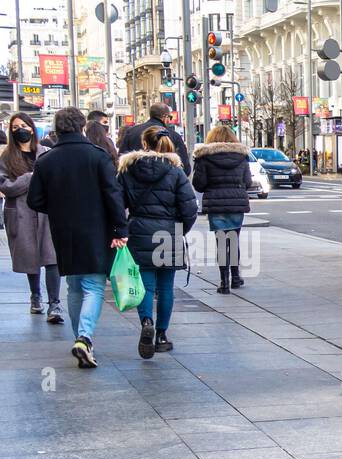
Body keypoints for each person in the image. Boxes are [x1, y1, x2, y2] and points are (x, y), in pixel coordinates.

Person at [27, 108, 129, 369]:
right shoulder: (98, 156)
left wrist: (59, 209)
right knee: (93, 286)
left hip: (64, 231)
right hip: (97, 229)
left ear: (58, 128)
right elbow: (113, 195)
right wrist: (120, 229)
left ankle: (80, 339)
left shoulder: (47, 161)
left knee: (73, 287)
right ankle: (84, 337)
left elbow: (35, 199)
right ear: (82, 126)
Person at [119, 127, 198, 358]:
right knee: (165, 288)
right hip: (168, 233)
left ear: (144, 143)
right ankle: (162, 335)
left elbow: (117, 202)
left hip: (139, 231)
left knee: (144, 285)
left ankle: (146, 322)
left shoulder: (127, 170)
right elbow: (190, 208)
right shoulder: (176, 173)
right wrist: (180, 230)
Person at [1, 113, 62, 323]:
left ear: (32, 127)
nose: (21, 129)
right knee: (30, 257)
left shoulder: (46, 153)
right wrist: (29, 178)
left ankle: (54, 302)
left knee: (52, 258)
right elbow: (6, 186)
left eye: (24, 125)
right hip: (21, 212)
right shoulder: (7, 157)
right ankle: (35, 296)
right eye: (16, 126)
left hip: (47, 212)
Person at [191, 124, 252, 295]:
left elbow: (199, 185)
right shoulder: (242, 157)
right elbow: (247, 182)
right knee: (234, 240)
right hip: (236, 203)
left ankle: (224, 282)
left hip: (216, 204)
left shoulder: (204, 157)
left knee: (221, 243)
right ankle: (235, 277)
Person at [117, 102, 190, 174]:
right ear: (165, 117)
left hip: (133, 181)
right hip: (167, 183)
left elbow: (120, 160)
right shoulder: (173, 136)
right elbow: (185, 168)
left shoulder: (131, 132)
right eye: (170, 117)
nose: (169, 121)